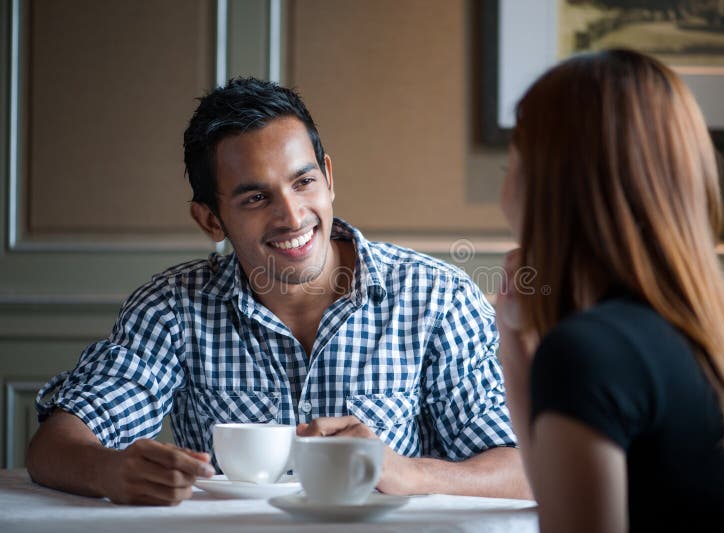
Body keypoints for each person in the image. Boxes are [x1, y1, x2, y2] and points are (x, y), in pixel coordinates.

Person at [26, 78, 530, 505]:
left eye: (303, 181)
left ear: (328, 178)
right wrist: (108, 471)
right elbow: (55, 445)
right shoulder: (173, 307)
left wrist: (411, 474)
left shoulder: (435, 297)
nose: (292, 216)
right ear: (209, 219)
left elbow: (522, 467)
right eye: (255, 197)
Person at [496, 49, 724, 532]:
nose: (503, 191)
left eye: (512, 163)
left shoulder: (590, 353)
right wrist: (514, 342)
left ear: (552, 186)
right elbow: (556, 496)